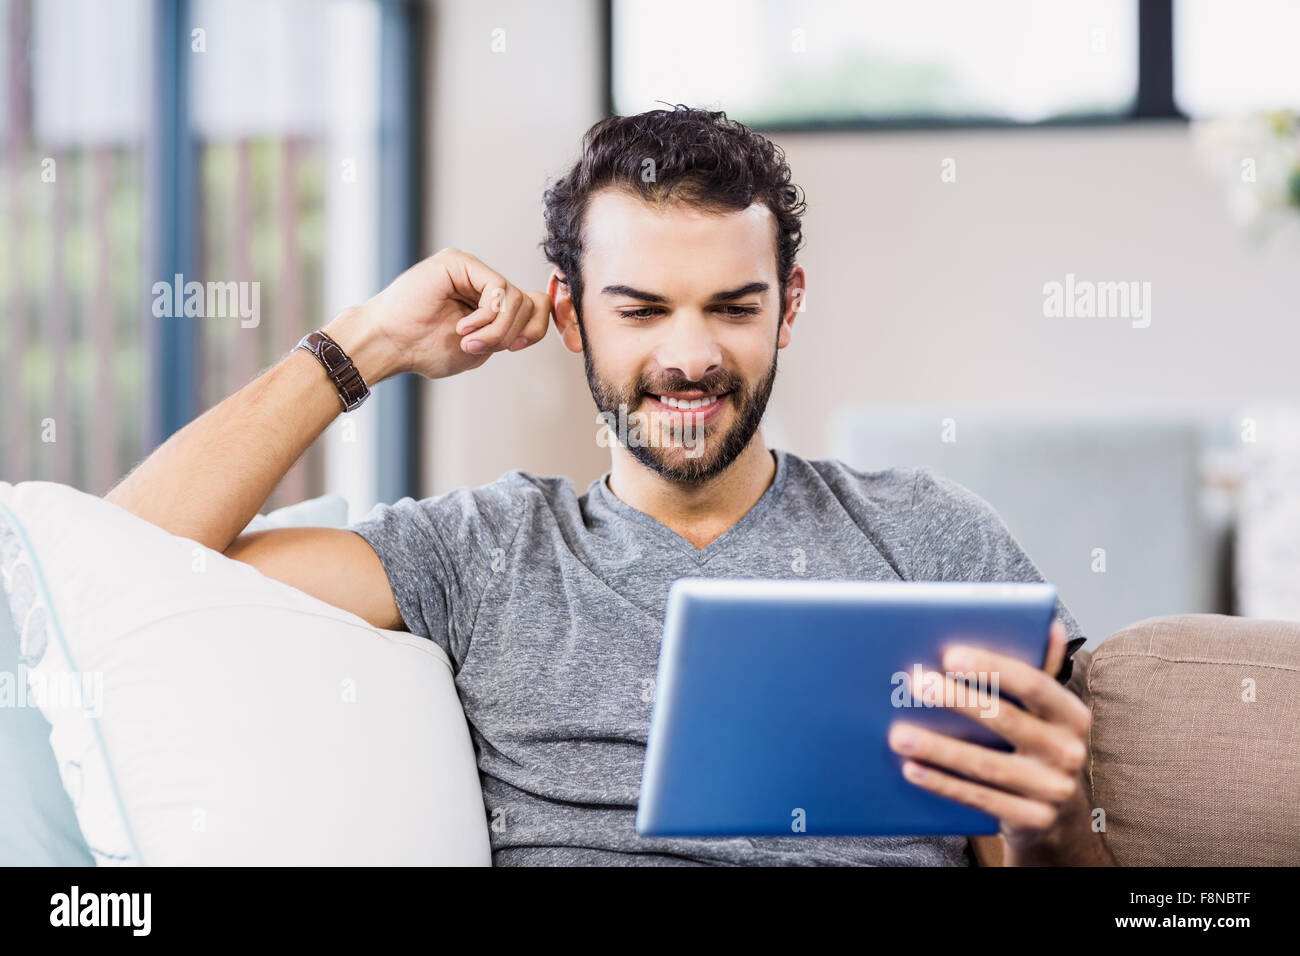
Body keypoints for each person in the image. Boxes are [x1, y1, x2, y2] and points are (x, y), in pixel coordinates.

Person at [107, 104, 1109, 867]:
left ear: (786, 307)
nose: (689, 355)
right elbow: (118, 559)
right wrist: (364, 342)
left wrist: (1060, 827)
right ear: (572, 314)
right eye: (639, 310)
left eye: (731, 307)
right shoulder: (483, 552)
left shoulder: (930, 537)